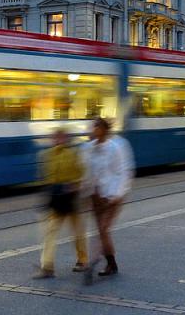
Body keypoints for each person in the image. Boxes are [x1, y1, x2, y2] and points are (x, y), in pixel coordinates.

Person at [83, 117, 134, 282]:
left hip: (112, 196)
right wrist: (85, 191)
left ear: (104, 129)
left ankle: (93, 262)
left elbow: (124, 172)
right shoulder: (89, 148)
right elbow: (87, 172)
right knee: (102, 232)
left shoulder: (115, 147)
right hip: (96, 196)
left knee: (103, 229)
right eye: (93, 128)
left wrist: (118, 194)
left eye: (96, 127)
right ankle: (112, 264)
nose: (92, 130)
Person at [33, 127, 88, 279]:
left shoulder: (64, 154)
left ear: (66, 139)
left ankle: (78, 261)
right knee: (64, 232)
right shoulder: (51, 154)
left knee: (74, 232)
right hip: (63, 199)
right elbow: (81, 175)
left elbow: (81, 175)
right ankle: (48, 266)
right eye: (56, 137)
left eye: (60, 137)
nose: (57, 140)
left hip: (67, 199)